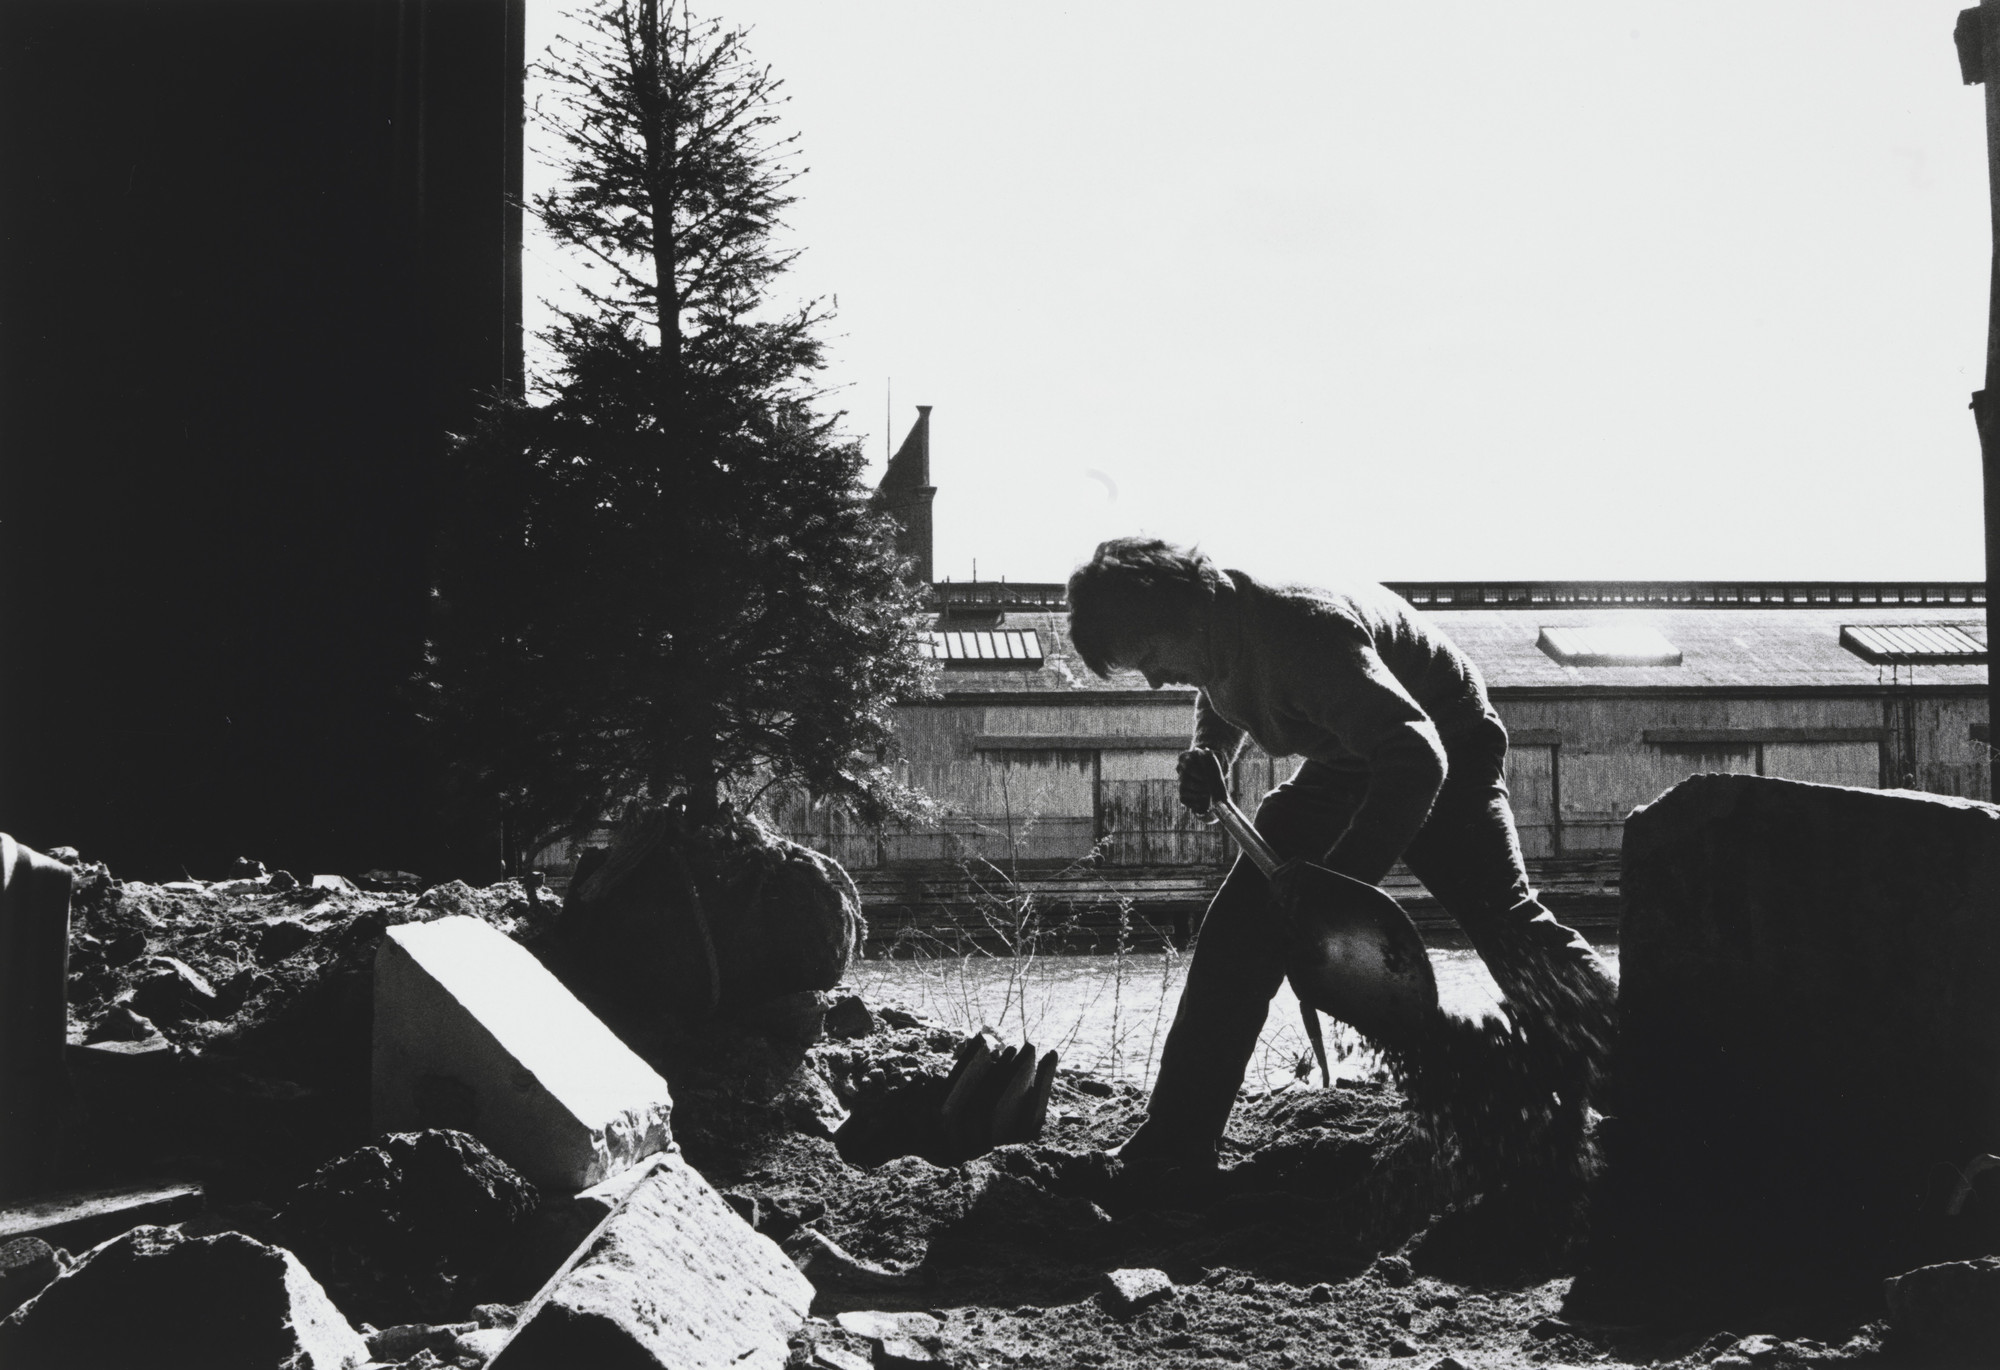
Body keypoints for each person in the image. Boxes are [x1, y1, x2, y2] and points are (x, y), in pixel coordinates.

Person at [1065, 536, 1616, 1176]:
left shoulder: (1302, 633)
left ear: (1196, 609)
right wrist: (1211, 753)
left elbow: (1417, 755)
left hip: (1445, 737)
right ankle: (1175, 1143)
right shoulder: (1214, 638)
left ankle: (1641, 1078)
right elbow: (1218, 690)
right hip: (1347, 757)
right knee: (1240, 930)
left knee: (1504, 922)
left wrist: (1336, 889)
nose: (1157, 677)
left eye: (1155, 658)